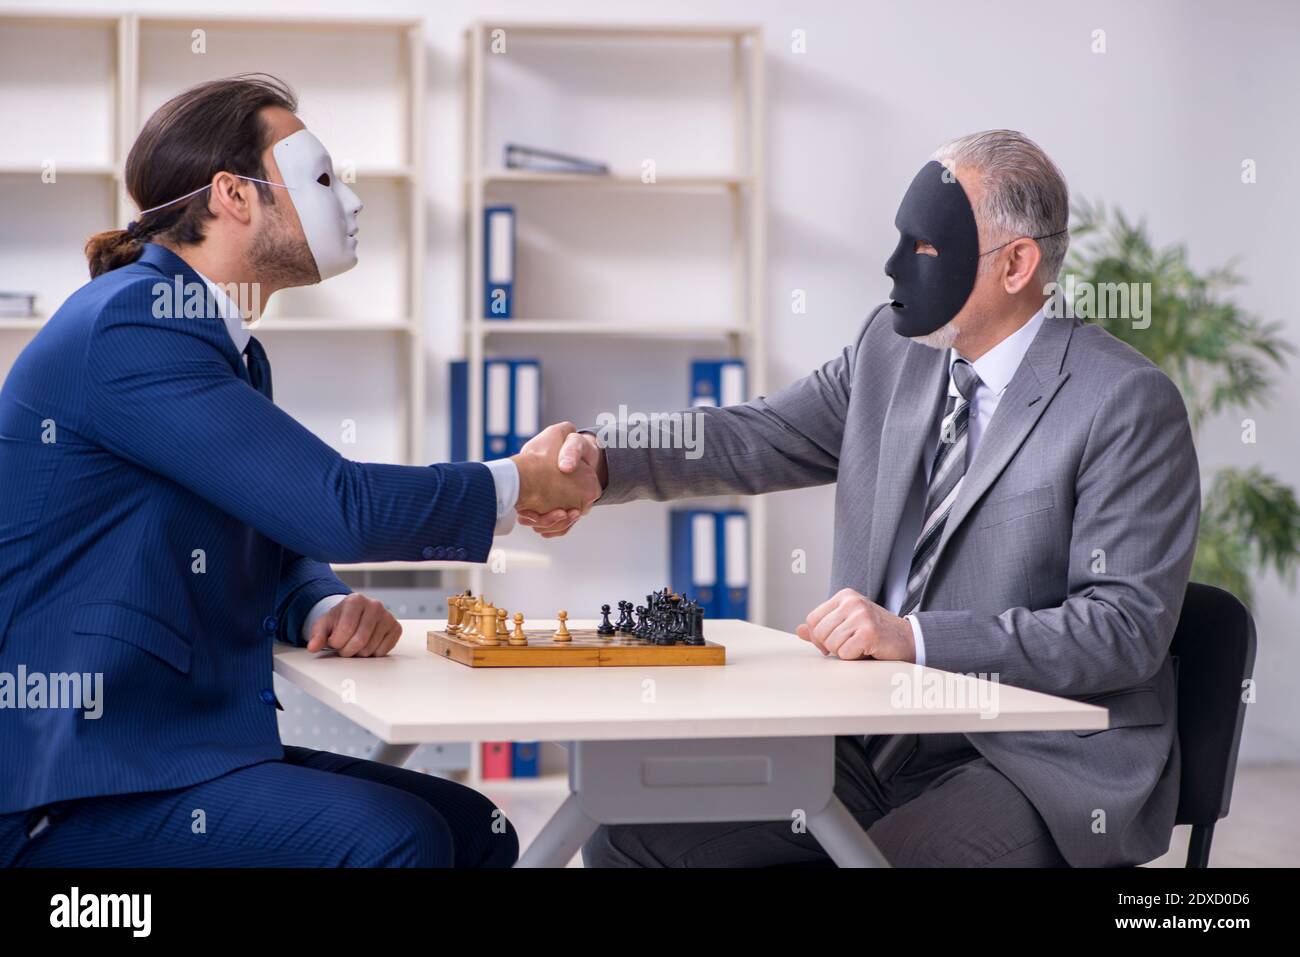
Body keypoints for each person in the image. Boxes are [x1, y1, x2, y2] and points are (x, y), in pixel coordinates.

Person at [518, 130, 1200, 868]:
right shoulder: (892, 350)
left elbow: (1122, 629)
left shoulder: (1124, 402)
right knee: (631, 838)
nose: (896, 265)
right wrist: (601, 458)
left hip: (1036, 759)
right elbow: (757, 433)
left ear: (1017, 263)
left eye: (928, 246)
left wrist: (917, 638)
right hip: (871, 733)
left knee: (878, 861)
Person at [0, 75, 599, 867]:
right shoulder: (133, 322)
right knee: (402, 840)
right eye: (321, 178)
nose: (348, 201)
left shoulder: (227, 348)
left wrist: (317, 599)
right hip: (76, 784)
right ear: (232, 196)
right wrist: (517, 483)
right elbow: (334, 504)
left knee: (472, 826)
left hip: (170, 753)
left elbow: (269, 531)